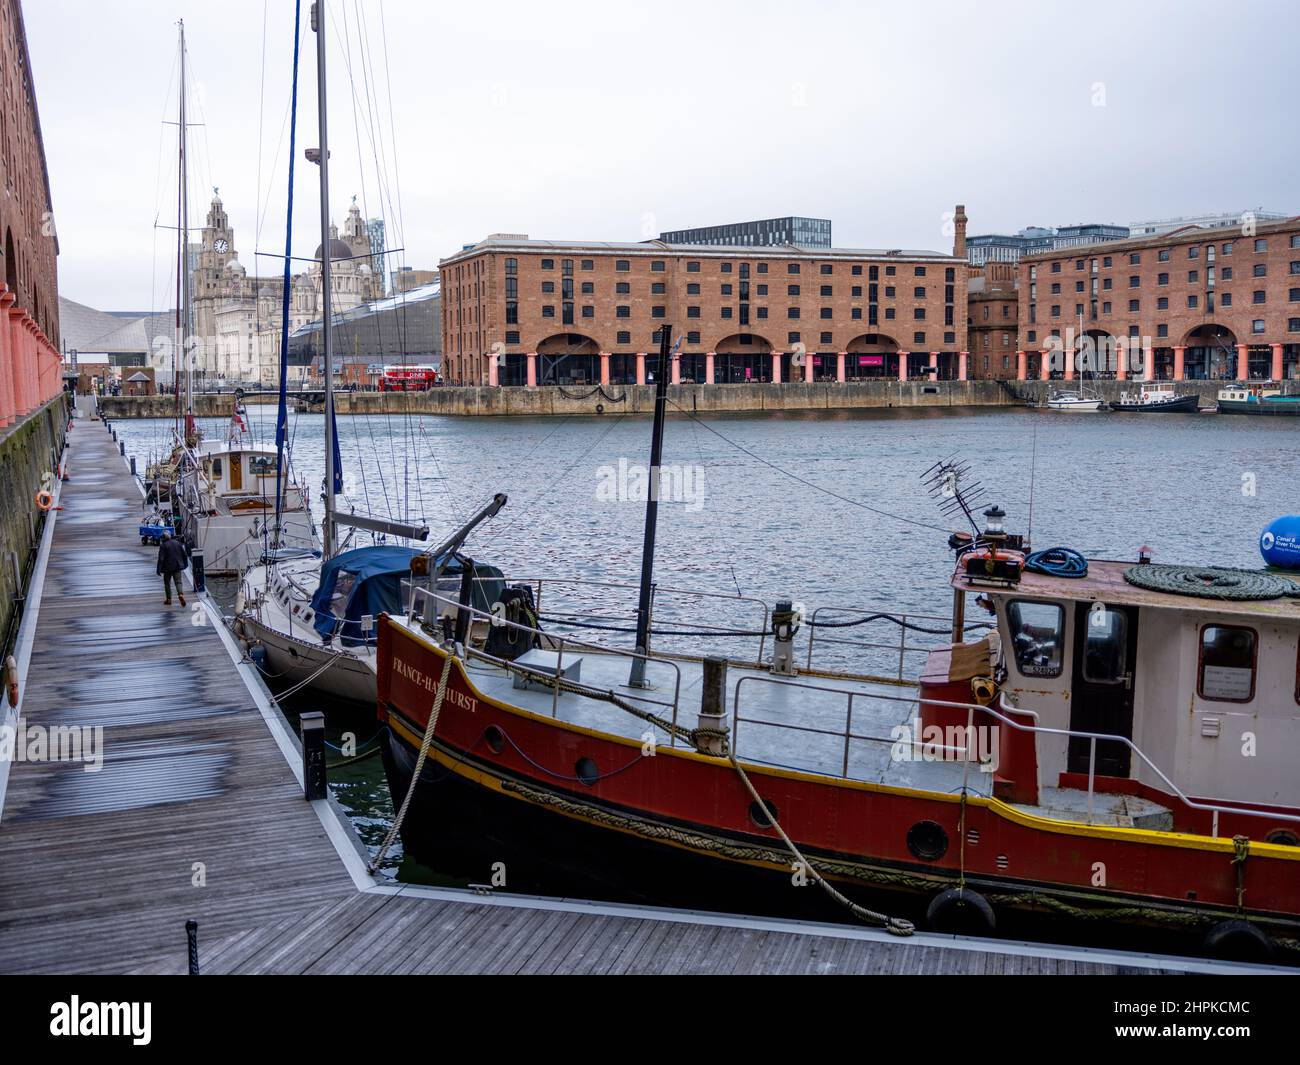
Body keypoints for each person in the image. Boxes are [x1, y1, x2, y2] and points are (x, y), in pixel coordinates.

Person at [157, 531, 190, 606]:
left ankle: (169, 599)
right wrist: (186, 564)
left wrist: (158, 569)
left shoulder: (163, 546)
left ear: (164, 538)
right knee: (178, 582)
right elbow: (184, 555)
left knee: (167, 583)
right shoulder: (177, 543)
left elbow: (161, 559)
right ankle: (180, 594)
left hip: (167, 567)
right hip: (177, 565)